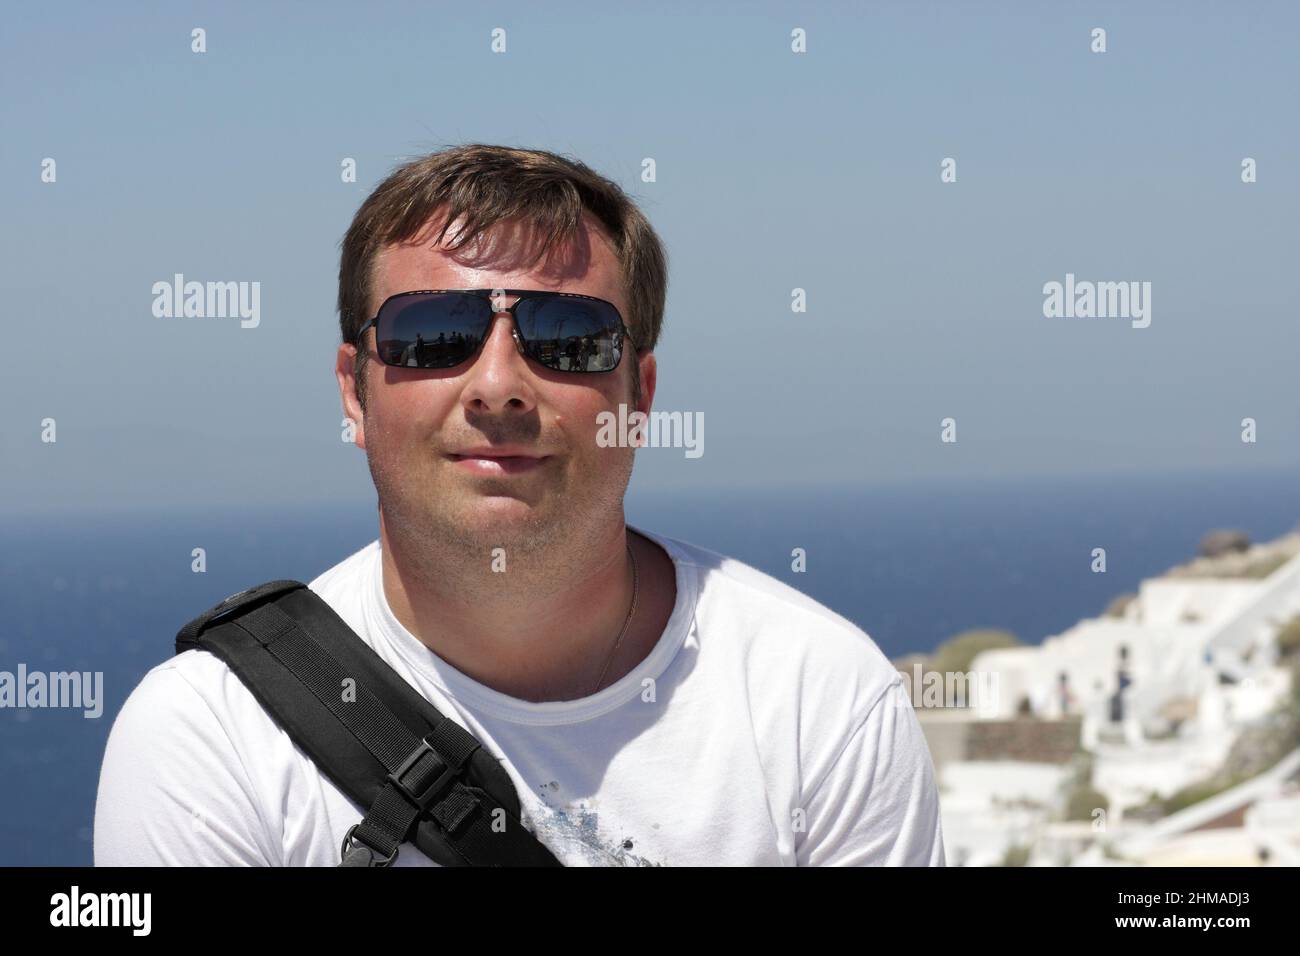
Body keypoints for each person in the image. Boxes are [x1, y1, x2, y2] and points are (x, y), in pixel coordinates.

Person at [93, 144, 945, 866]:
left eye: (567, 338)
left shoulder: (818, 701)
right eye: (434, 333)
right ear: (354, 392)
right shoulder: (212, 736)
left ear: (638, 397)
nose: (498, 385)